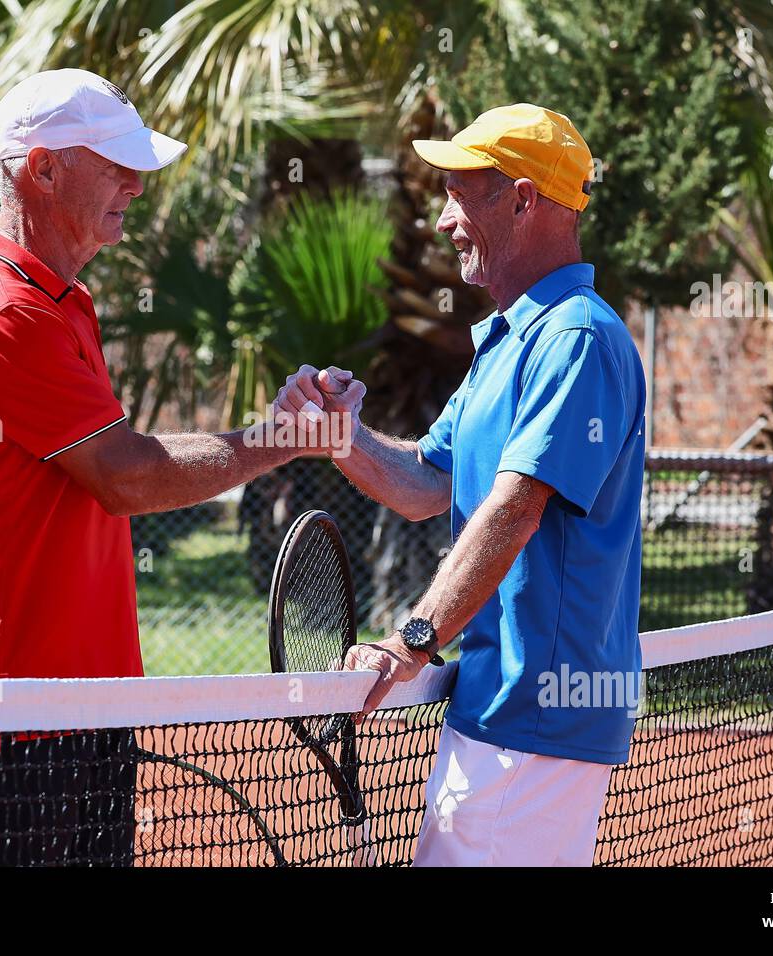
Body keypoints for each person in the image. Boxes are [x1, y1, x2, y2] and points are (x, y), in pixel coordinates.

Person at [0, 69, 344, 866]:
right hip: (11, 719)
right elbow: (128, 476)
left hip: (72, 710)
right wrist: (284, 437)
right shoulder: (8, 313)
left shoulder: (54, 302)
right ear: (42, 169)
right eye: (115, 164)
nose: (137, 186)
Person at [275, 104, 646, 866]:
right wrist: (339, 435)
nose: (444, 221)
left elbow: (514, 510)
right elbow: (424, 481)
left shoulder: (574, 335)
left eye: (458, 194)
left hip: (532, 719)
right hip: (502, 714)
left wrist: (413, 640)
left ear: (521, 199)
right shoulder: (514, 337)